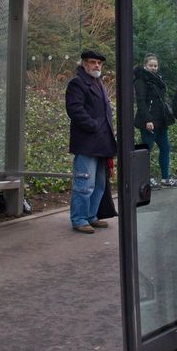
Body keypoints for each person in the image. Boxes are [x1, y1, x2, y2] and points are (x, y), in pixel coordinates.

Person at [65, 49, 117, 234]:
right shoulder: (77, 83)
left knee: (99, 185)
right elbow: (74, 110)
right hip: (87, 142)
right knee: (84, 183)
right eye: (93, 62)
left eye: (99, 63)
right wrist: (94, 126)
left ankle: (91, 216)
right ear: (84, 64)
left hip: (102, 143)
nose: (97, 66)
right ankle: (79, 219)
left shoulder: (97, 82)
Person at [134, 53, 176, 187]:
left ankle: (165, 178)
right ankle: (145, 180)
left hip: (161, 121)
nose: (153, 68)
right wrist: (148, 120)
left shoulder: (157, 80)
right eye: (151, 65)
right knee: (146, 151)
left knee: (165, 147)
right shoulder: (141, 81)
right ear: (145, 66)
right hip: (149, 122)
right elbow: (141, 102)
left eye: (155, 65)